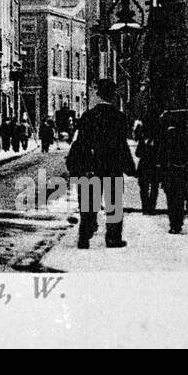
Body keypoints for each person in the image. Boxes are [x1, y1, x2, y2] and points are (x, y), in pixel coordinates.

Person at [66, 79, 136, 249]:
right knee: (114, 203)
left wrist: (78, 165)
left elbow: (80, 144)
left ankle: (84, 235)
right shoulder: (119, 118)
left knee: (88, 203)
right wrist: (130, 168)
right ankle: (113, 238)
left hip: (91, 166)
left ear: (98, 95)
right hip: (112, 167)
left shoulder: (88, 116)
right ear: (113, 96)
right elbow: (122, 146)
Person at [159, 110, 188, 235]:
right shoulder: (183, 136)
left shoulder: (164, 136)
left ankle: (173, 224)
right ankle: (178, 223)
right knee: (179, 198)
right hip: (181, 171)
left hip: (169, 172)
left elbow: (161, 156)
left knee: (171, 199)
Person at [135, 118, 160, 215]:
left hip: (145, 166)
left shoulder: (143, 141)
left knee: (145, 188)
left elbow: (138, 153)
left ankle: (146, 208)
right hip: (152, 167)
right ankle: (150, 207)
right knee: (152, 188)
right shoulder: (155, 142)